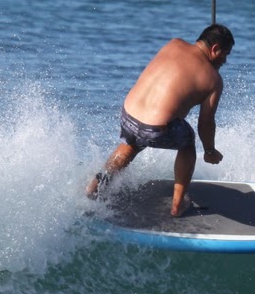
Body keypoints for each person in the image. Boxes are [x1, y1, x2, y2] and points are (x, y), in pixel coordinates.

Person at [87, 25, 234, 216]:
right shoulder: (214, 80)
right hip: (154, 128)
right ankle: (177, 205)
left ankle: (95, 187)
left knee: (131, 144)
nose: (225, 60)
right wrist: (209, 150)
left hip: (128, 114)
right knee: (188, 141)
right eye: (226, 54)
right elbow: (205, 123)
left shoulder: (174, 44)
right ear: (214, 49)